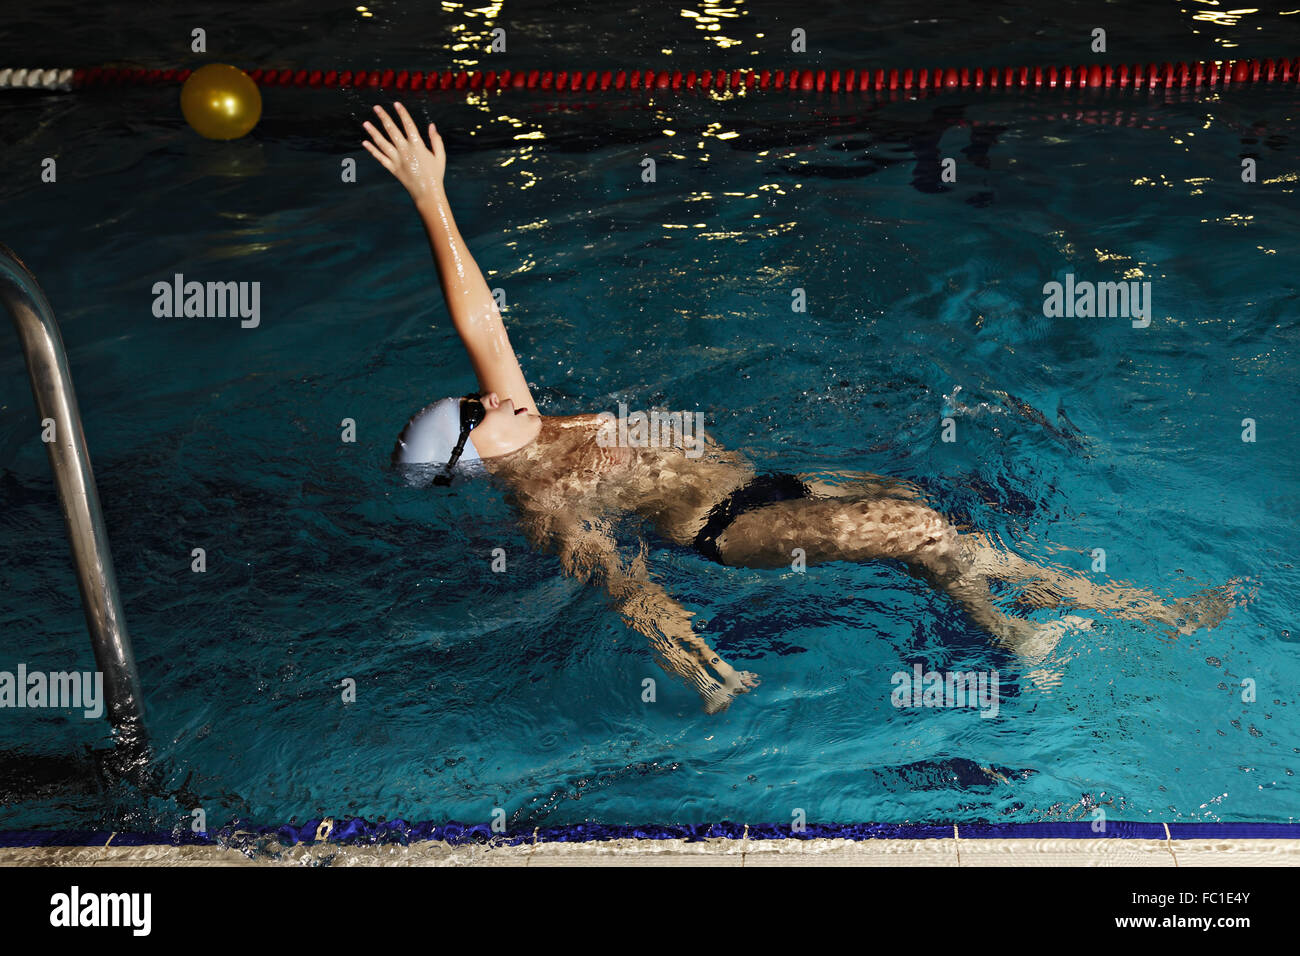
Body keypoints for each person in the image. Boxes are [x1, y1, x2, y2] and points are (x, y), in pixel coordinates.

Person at [362, 103, 1234, 713]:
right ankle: (1106, 619)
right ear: (477, 455)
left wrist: (431, 195)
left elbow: (475, 310)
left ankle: (1069, 626)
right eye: (472, 409)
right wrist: (707, 670)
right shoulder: (541, 496)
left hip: (766, 482)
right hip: (733, 531)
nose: (484, 393)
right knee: (921, 533)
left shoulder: (520, 413)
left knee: (939, 532)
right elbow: (626, 591)